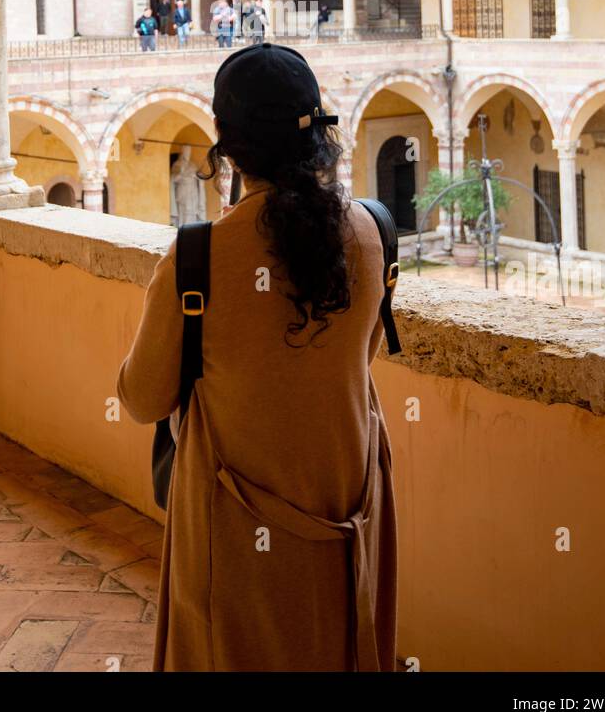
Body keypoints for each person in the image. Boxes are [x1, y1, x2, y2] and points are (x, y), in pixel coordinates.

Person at [117, 42, 398, 672]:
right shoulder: (374, 232)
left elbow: (142, 399)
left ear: (226, 141)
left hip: (236, 523)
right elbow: (362, 355)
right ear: (318, 130)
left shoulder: (197, 259)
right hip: (346, 505)